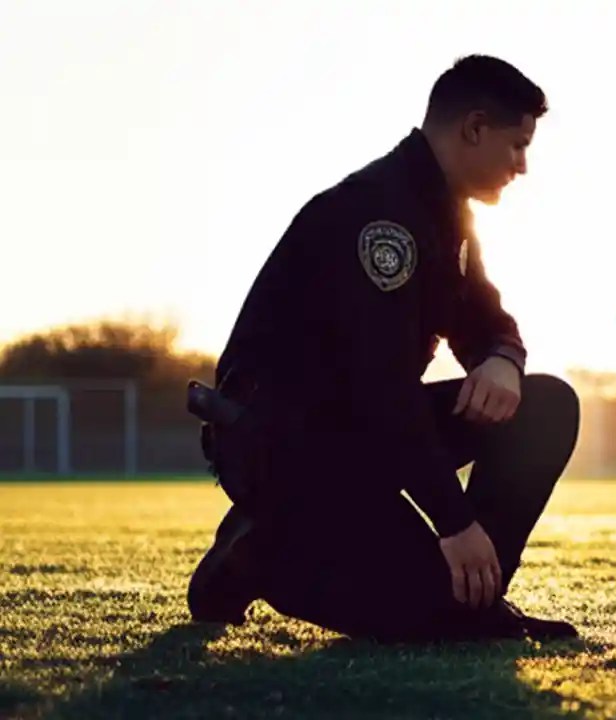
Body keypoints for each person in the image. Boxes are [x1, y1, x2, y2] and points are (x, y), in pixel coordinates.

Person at [186, 54, 581, 643]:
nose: (523, 166)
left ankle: (481, 596)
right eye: (516, 145)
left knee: (545, 406)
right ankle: (257, 555)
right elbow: (381, 390)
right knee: (429, 619)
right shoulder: (378, 215)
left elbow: (484, 318)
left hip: (356, 437)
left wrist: (501, 358)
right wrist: (455, 521)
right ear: (474, 129)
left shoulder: (445, 216)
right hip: (290, 451)